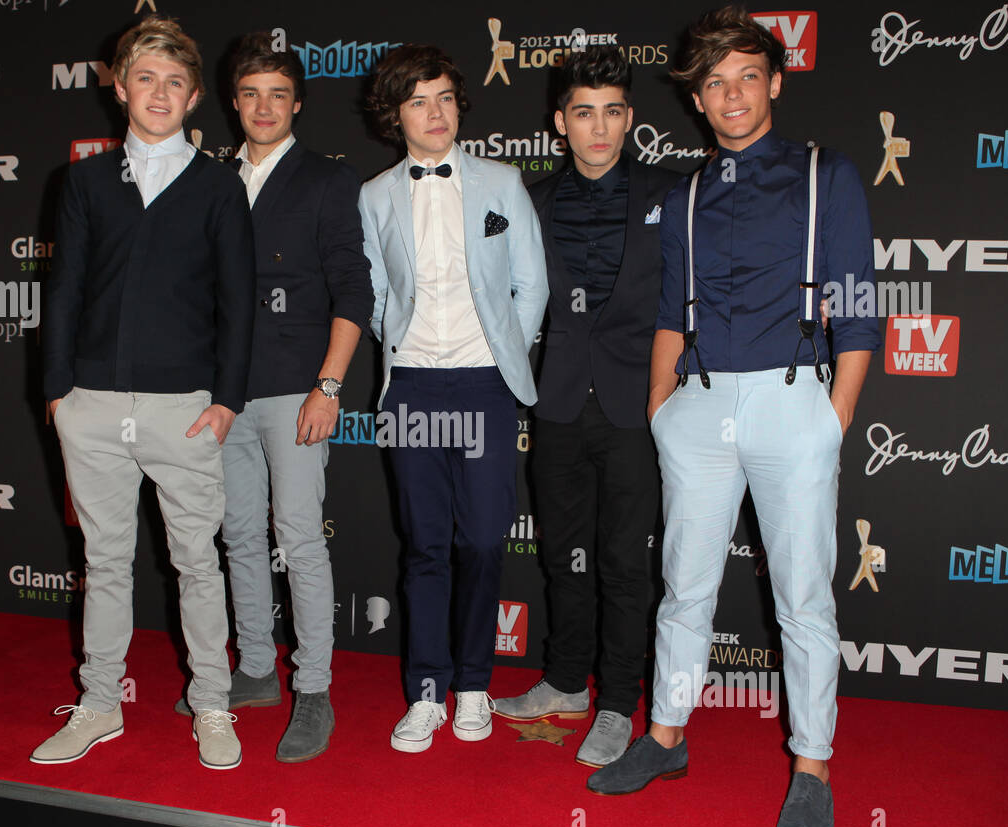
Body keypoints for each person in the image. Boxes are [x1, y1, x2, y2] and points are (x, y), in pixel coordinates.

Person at [587, 5, 879, 827]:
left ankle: (814, 766)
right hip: (699, 406)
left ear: (775, 84)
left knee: (804, 600)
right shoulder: (682, 197)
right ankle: (668, 735)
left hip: (796, 400)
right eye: (714, 83)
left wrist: (836, 416)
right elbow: (670, 318)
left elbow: (857, 307)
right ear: (699, 102)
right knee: (683, 587)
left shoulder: (828, 174)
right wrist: (661, 407)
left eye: (747, 75)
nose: (731, 94)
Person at [33, 16, 255, 771]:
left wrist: (226, 400)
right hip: (90, 406)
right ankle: (99, 705)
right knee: (105, 563)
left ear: (193, 97)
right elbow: (62, 293)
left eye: (174, 82)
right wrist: (58, 393)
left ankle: (214, 706)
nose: (158, 93)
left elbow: (239, 299)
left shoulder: (219, 186)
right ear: (121, 86)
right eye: (145, 78)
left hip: (184, 409)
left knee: (198, 563)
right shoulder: (86, 181)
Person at [173, 33, 373, 765]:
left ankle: (312, 689)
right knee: (236, 538)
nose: (264, 107)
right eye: (251, 93)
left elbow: (355, 289)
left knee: (297, 537)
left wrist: (328, 385)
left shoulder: (328, 179)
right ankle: (255, 669)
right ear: (232, 101)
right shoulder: (211, 179)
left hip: (296, 390)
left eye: (278, 94)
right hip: (223, 393)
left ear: (298, 103)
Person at [492, 46, 679, 769]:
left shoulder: (671, 195)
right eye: (582, 113)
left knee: (623, 563)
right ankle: (567, 682)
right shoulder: (528, 204)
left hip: (639, 406)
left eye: (610, 112)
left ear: (628, 118)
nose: (597, 128)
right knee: (563, 558)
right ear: (559, 123)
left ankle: (616, 704)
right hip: (559, 404)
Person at [357, 44, 547, 752]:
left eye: (443, 97)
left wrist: (501, 360)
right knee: (426, 546)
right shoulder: (375, 195)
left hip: (484, 385)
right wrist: (404, 350)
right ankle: (428, 693)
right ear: (394, 114)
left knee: (483, 540)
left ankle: (474, 685)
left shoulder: (502, 182)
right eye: (417, 100)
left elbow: (533, 285)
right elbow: (376, 293)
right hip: (411, 388)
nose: (434, 113)